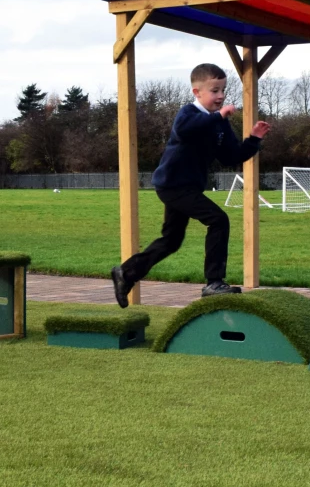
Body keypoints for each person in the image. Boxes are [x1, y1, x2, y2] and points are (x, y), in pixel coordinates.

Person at [112, 63, 271, 307]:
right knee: (218, 220)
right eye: (214, 91)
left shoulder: (220, 123)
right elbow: (187, 130)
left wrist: (253, 140)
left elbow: (231, 157)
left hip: (188, 188)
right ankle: (214, 282)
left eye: (223, 90)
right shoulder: (187, 114)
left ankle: (126, 273)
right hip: (173, 184)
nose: (220, 96)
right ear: (197, 92)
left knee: (171, 240)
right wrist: (218, 116)